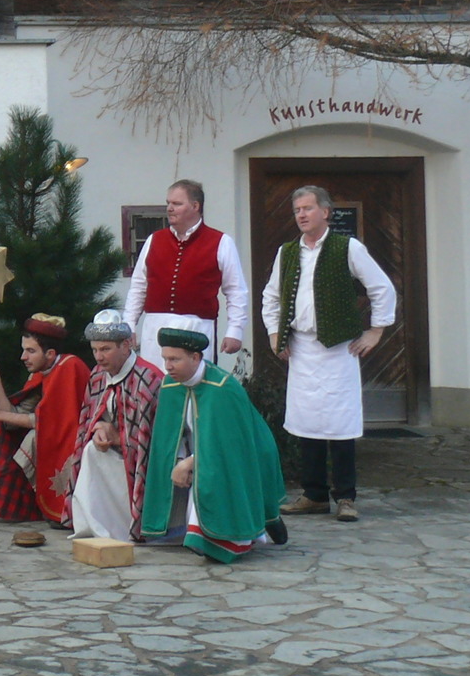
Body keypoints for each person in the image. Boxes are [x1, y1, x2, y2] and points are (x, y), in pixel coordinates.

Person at [260, 185, 397, 524]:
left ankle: (346, 497)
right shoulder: (288, 252)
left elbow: (382, 288)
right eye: (297, 210)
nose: (302, 215)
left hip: (338, 349)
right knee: (307, 422)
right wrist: (277, 334)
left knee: (340, 423)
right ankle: (314, 495)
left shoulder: (347, 247)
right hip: (302, 349)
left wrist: (376, 331)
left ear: (325, 212)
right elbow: (271, 296)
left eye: (307, 208)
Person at [140, 327, 289, 562]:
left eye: (174, 359)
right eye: (165, 359)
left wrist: (191, 462)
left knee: (209, 473)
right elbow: (168, 440)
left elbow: (231, 449)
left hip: (247, 454)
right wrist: (179, 460)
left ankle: (230, 535)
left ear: (196, 357)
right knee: (191, 471)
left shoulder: (222, 388)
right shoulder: (170, 386)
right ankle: (186, 529)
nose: (167, 366)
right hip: (198, 456)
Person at [0, 313, 90, 524]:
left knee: (32, 438)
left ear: (50, 353)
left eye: (30, 351)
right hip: (60, 439)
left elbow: (45, 423)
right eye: (24, 350)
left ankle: (62, 508)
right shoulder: (41, 372)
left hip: (82, 441)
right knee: (23, 436)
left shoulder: (68, 367)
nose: (23, 357)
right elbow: (14, 418)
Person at [124, 180, 249, 368]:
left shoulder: (221, 242)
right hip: (155, 330)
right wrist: (129, 324)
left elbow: (236, 291)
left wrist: (235, 331)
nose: (169, 208)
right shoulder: (154, 240)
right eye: (168, 203)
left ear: (195, 206)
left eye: (177, 204)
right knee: (154, 386)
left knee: (195, 389)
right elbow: (139, 286)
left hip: (196, 329)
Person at [67, 309, 164, 541]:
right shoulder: (97, 376)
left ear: (126, 345)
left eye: (105, 349)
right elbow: (90, 418)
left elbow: (153, 440)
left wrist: (118, 436)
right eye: (95, 350)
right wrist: (99, 428)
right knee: (90, 451)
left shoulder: (148, 379)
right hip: (111, 449)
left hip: (142, 462)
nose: (98, 357)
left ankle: (129, 527)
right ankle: (94, 528)